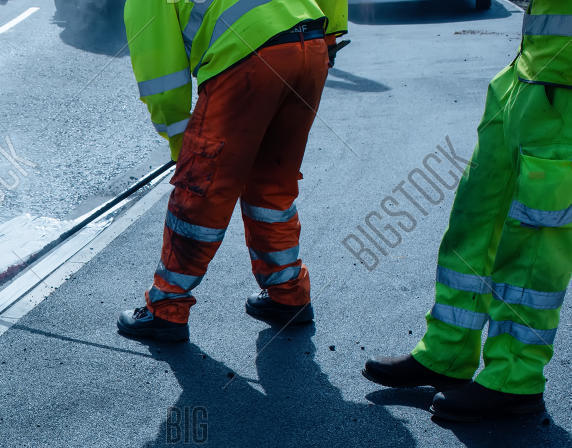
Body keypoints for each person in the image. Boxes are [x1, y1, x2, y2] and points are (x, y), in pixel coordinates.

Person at [365, 1, 572, 423]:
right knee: (474, 220)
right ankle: (448, 350)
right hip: (526, 79)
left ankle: (515, 380)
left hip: (563, 94)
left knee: (534, 242)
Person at [117, 0, 348, 345]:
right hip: (309, 44)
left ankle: (167, 309)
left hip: (249, 57)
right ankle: (288, 294)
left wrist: (185, 145)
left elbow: (160, 76)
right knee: (272, 182)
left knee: (202, 190)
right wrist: (328, 39)